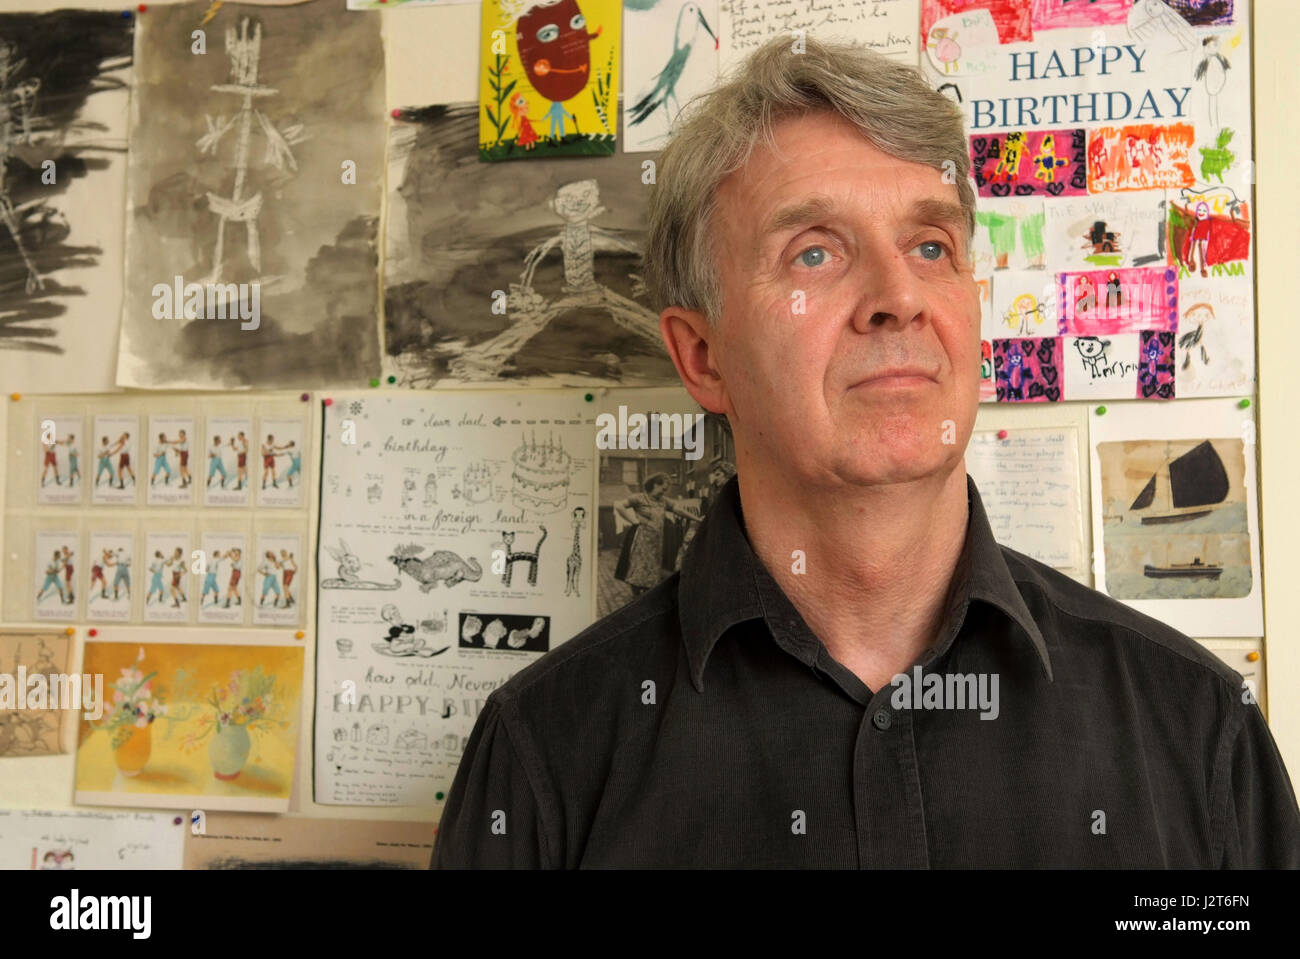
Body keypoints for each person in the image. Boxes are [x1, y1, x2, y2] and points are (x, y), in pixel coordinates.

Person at [433, 37, 1300, 868]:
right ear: (703, 357)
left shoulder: (1196, 729)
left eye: (931, 246)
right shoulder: (544, 756)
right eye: (815, 252)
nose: (898, 297)